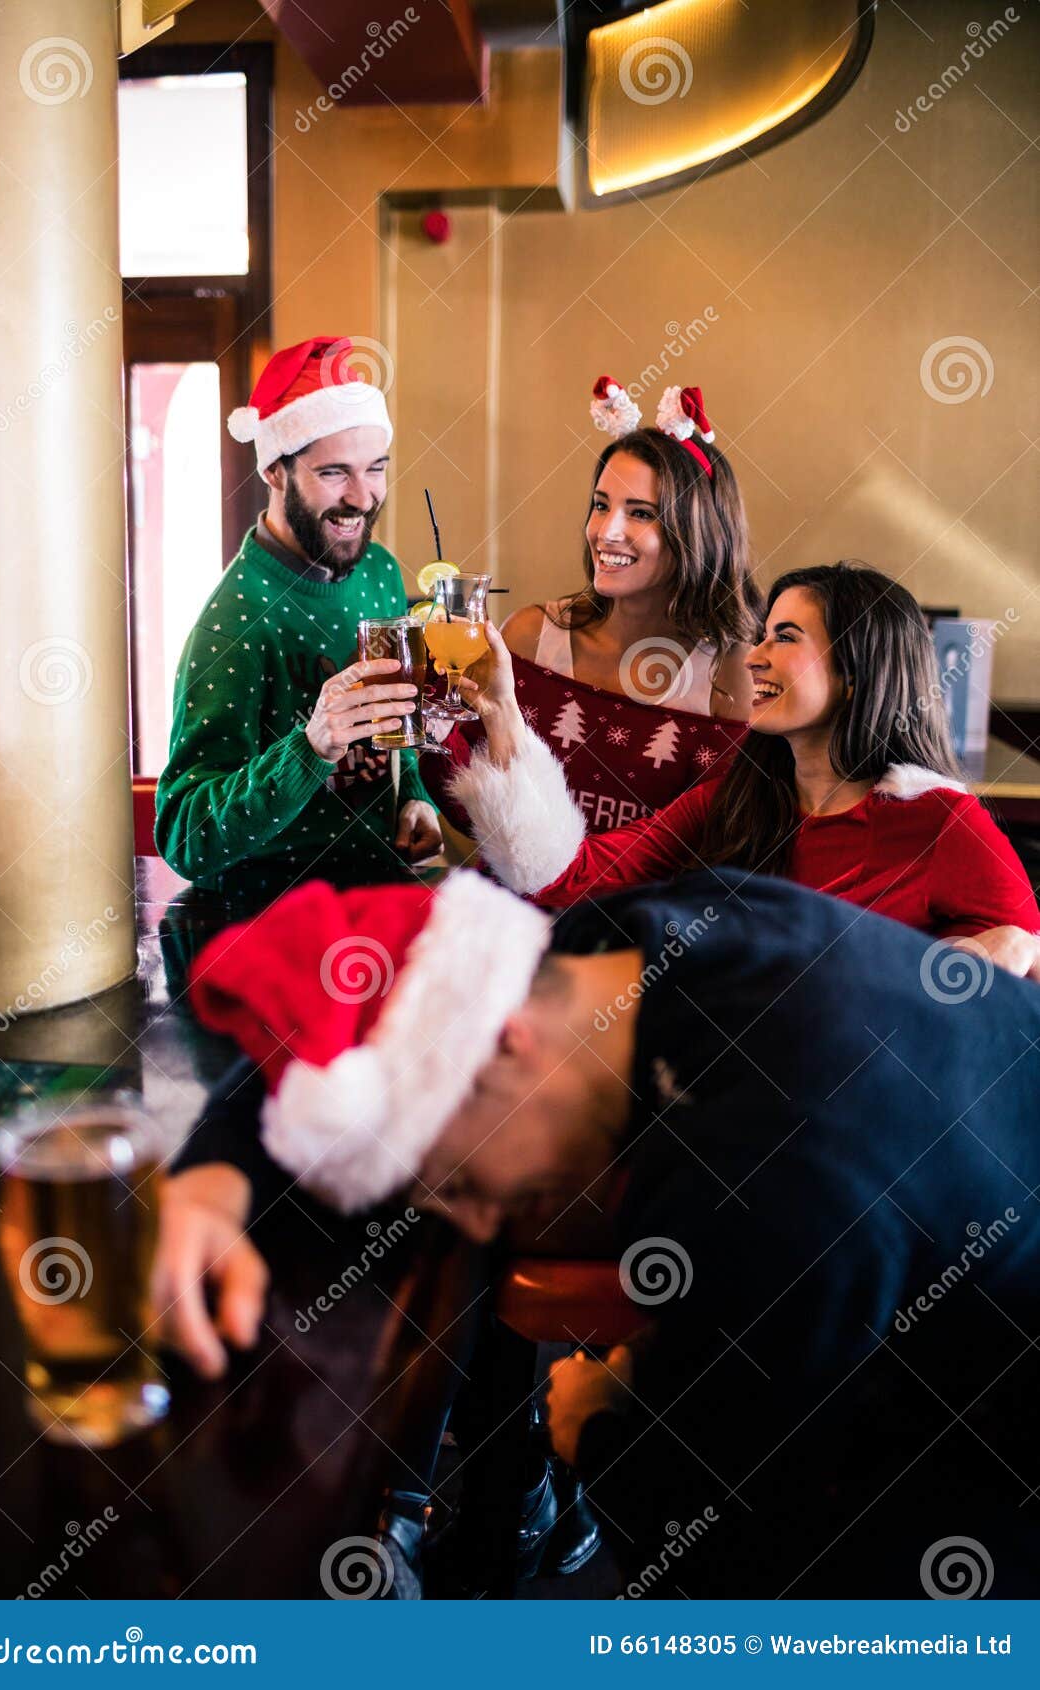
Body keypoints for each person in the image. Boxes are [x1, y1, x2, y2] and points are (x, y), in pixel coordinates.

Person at [152, 867, 1040, 1596]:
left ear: (504, 1046)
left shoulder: (765, 1175)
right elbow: (368, 1013)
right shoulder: (625, 943)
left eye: (454, 1183)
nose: (473, 1221)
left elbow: (727, 1553)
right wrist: (210, 1178)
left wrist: (599, 1428)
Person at [447, 562, 1040, 974]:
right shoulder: (732, 798)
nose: (753, 656)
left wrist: (995, 953)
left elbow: (1019, 967)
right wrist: (501, 712)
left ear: (856, 672)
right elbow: (562, 877)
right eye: (761, 636)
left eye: (784, 638)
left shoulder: (940, 823)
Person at [154, 335, 441, 902]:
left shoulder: (379, 569)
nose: (363, 497)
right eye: (335, 473)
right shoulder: (232, 623)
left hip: (378, 902)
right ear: (276, 472)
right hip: (264, 921)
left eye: (376, 468)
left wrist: (415, 801)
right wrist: (310, 748)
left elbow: (393, 732)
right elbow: (185, 837)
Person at [421, 379, 758, 841]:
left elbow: (710, 851)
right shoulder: (530, 636)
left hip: (649, 916)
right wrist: (429, 718)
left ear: (697, 532)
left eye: (640, 513)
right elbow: (473, 811)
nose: (606, 531)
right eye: (601, 505)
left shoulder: (733, 674)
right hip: (513, 908)